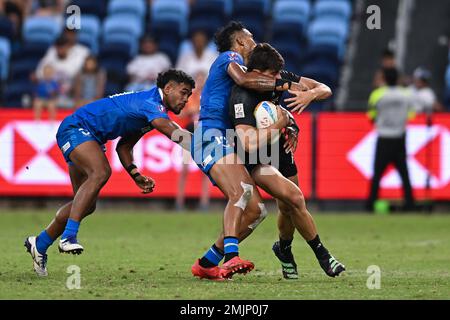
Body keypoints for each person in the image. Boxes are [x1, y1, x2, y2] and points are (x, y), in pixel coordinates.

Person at [193, 43, 345, 281]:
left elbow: (324, 88)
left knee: (290, 202)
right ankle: (323, 255)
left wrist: (310, 94)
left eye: (278, 74)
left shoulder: (279, 77)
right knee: (273, 203)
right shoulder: (240, 96)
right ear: (257, 72)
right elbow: (249, 143)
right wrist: (281, 123)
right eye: (273, 75)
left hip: (277, 147)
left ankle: (284, 250)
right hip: (253, 158)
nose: (278, 79)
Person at [25, 69, 195, 277]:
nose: (186, 99)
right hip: (77, 128)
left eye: (189, 95)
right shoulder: (152, 104)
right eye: (183, 92)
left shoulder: (150, 113)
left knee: (87, 205)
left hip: (89, 137)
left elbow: (123, 147)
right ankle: (68, 237)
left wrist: (135, 174)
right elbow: (173, 132)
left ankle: (39, 244)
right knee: (101, 172)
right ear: (168, 88)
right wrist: (210, 146)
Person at [366, 67, 415, 212]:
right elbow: (411, 115)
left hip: (384, 138)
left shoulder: (377, 94)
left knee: (377, 174)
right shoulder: (406, 94)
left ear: (385, 78)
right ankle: (410, 204)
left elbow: (371, 115)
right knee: (404, 173)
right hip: (400, 137)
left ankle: (370, 204)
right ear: (397, 78)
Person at [175, 71, 210, 211]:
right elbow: (181, 114)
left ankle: (204, 203)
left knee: (205, 170)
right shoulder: (189, 98)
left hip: (204, 133)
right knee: (185, 169)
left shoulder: (208, 98)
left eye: (202, 80)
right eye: (198, 80)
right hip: (189, 133)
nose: (200, 83)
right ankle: (179, 202)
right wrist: (191, 111)